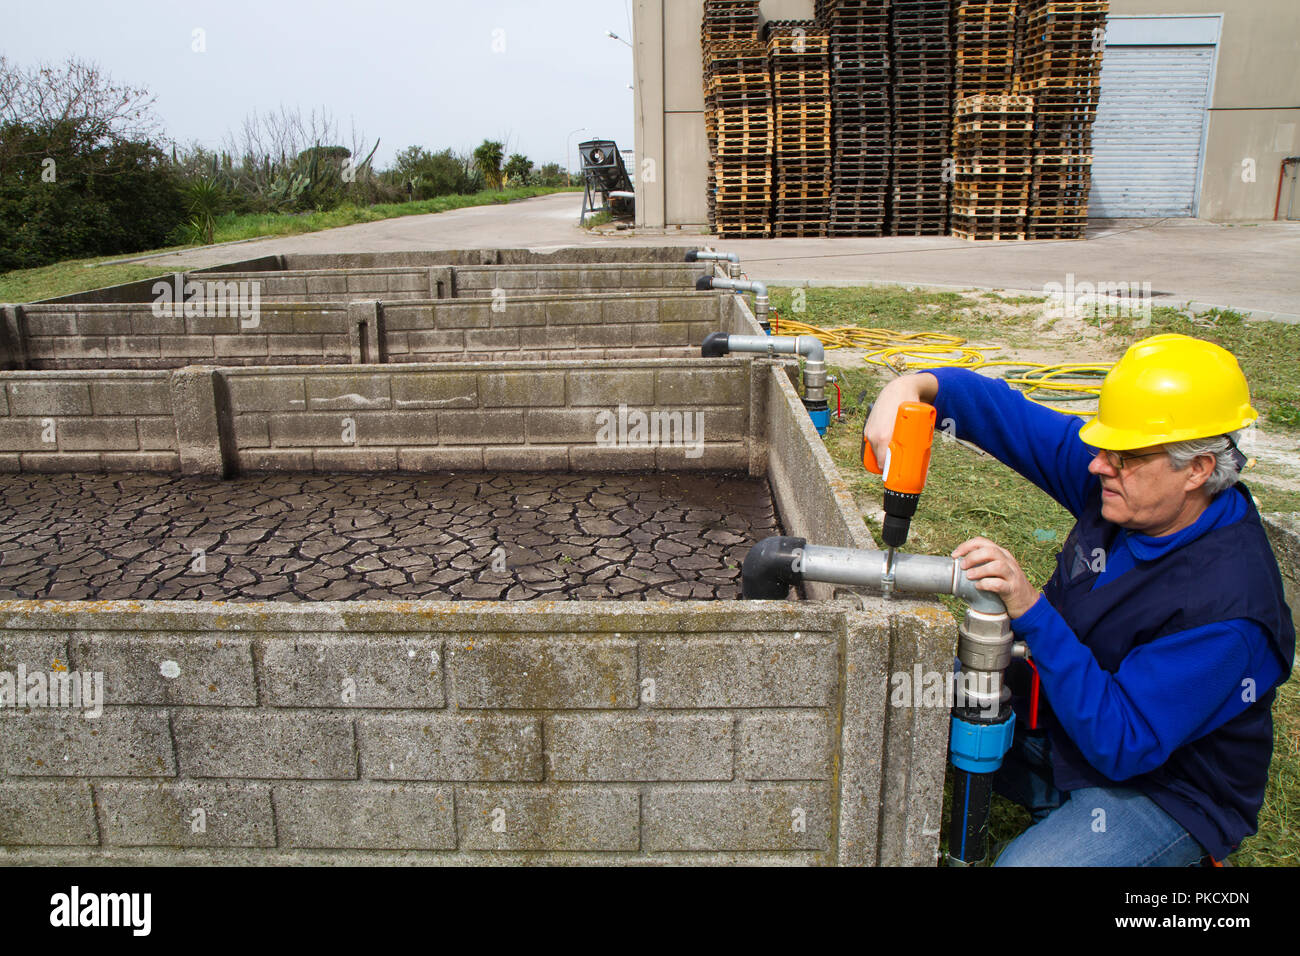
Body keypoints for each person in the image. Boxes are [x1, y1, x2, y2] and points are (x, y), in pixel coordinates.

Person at [864, 333, 1295, 866]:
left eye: (1125, 455)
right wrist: (908, 388)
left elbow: (1123, 742)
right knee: (893, 696)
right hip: (1054, 720)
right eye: (1103, 447)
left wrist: (1031, 611)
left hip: (1162, 786)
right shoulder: (1126, 485)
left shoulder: (1228, 609)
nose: (1098, 465)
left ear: (1199, 469)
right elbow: (999, 409)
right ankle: (1050, 793)